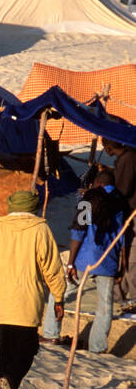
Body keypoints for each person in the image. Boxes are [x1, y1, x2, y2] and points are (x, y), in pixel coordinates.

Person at [0, 190, 66, 389]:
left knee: (4, 349)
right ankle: (12, 381)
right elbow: (52, 268)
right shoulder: (40, 229)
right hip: (28, 300)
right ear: (33, 207)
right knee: (27, 348)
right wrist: (59, 296)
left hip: (2, 299)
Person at [42, 169, 128, 353]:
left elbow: (78, 231)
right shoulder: (122, 201)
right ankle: (97, 347)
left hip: (84, 257)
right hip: (109, 260)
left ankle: (51, 334)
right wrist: (122, 265)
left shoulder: (88, 199)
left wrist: (71, 262)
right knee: (105, 304)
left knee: (60, 292)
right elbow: (123, 237)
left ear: (97, 182)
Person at [101, 138, 136, 302]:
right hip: (125, 215)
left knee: (130, 256)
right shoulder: (125, 159)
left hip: (130, 215)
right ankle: (120, 296)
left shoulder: (128, 159)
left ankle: (130, 296)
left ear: (108, 147)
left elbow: (124, 189)